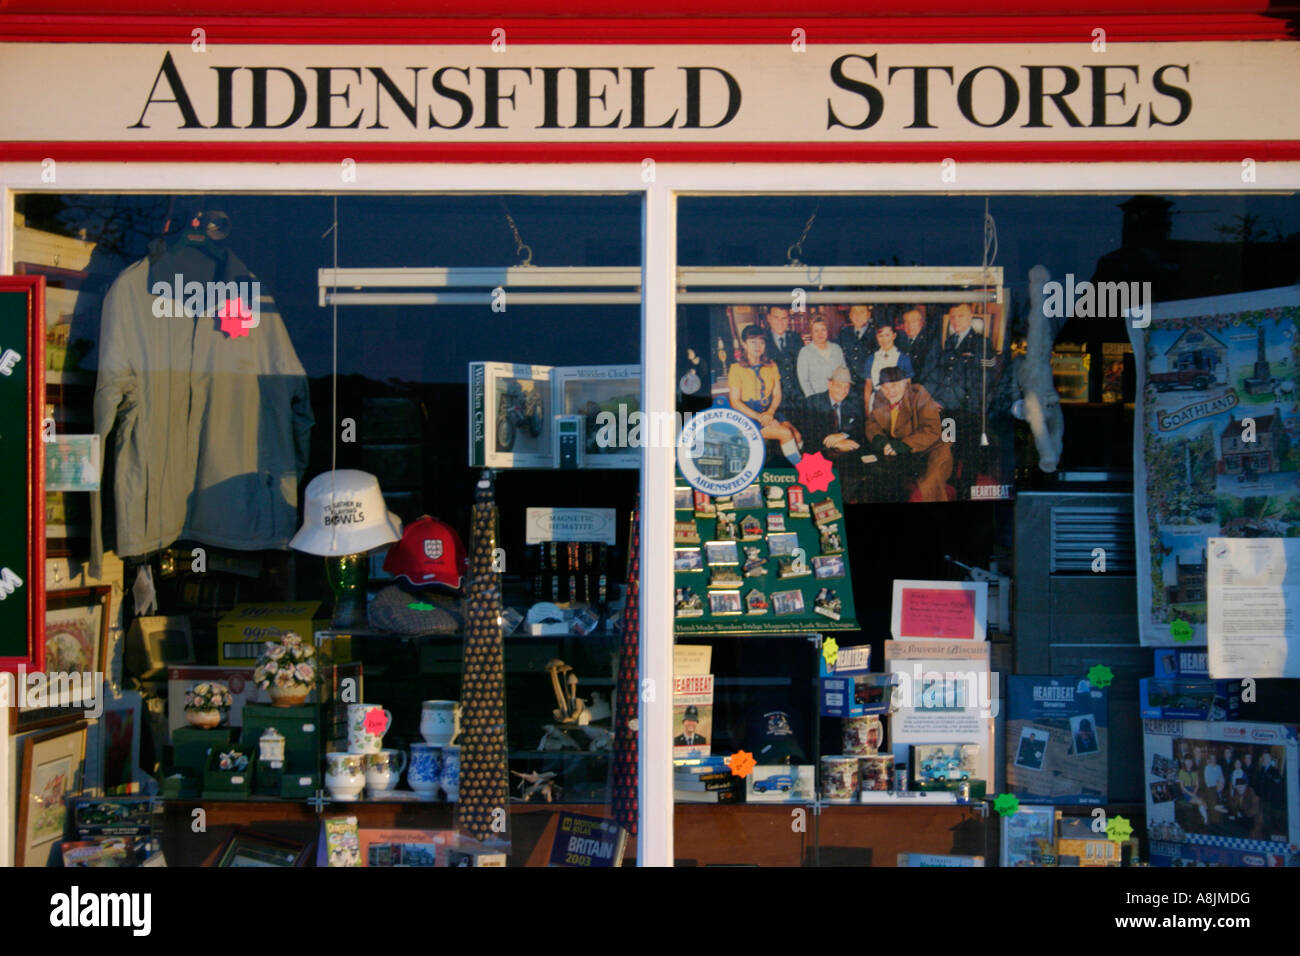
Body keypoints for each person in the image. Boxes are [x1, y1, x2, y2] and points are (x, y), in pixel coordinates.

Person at [922, 302, 988, 493]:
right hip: (947, 409)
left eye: (960, 316)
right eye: (953, 317)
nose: (956, 320)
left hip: (968, 410)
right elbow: (942, 374)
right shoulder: (950, 341)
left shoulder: (981, 344)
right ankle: (950, 480)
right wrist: (932, 398)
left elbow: (984, 381)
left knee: (969, 453)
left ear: (970, 318)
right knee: (948, 448)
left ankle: (966, 491)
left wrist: (974, 408)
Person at [863, 366, 953, 502]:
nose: (889, 392)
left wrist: (905, 444)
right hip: (902, 450)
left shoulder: (918, 393)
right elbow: (872, 423)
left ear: (905, 383)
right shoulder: (880, 395)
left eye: (893, 386)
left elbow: (932, 429)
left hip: (933, 447)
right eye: (885, 387)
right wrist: (878, 438)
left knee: (927, 486)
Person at [728, 324, 802, 462]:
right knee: (785, 433)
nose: (758, 346)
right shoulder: (736, 368)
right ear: (744, 344)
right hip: (749, 416)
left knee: (796, 436)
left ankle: (794, 465)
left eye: (761, 342)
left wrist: (770, 412)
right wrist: (759, 417)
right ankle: (803, 471)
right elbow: (735, 401)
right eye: (753, 342)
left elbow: (777, 394)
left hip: (770, 410)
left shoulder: (772, 365)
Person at [802, 366, 865, 456]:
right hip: (817, 452)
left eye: (846, 387)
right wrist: (836, 444)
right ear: (830, 384)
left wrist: (843, 435)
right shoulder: (812, 402)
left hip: (845, 453)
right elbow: (809, 434)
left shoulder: (854, 403)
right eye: (839, 386)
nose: (842, 391)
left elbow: (860, 427)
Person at [762, 306, 804, 412]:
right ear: (768, 318)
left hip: (799, 401)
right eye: (776, 318)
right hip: (773, 404)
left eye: (784, 318)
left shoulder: (796, 338)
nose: (780, 322)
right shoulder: (761, 340)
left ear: (789, 319)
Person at [796, 315, 846, 399]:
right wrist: (813, 400)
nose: (820, 334)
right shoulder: (805, 352)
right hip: (817, 400)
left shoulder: (836, 349)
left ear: (827, 331)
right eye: (816, 331)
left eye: (823, 330)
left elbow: (843, 375)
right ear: (811, 333)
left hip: (838, 397)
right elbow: (804, 381)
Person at [837, 304, 877, 391]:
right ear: (850, 315)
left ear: (868, 315)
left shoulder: (876, 334)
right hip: (849, 387)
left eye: (861, 312)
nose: (858, 316)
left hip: (871, 386)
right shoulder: (844, 332)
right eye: (854, 312)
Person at [866, 321, 914, 393]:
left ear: (894, 336)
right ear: (876, 337)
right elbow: (868, 385)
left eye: (887, 335)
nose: (884, 339)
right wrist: (867, 404)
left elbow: (908, 384)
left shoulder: (903, 358)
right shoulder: (871, 359)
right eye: (880, 336)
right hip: (877, 399)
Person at [899, 306, 939, 383]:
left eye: (913, 321)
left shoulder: (930, 344)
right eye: (906, 322)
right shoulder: (900, 341)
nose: (910, 326)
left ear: (921, 323)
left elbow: (929, 373)